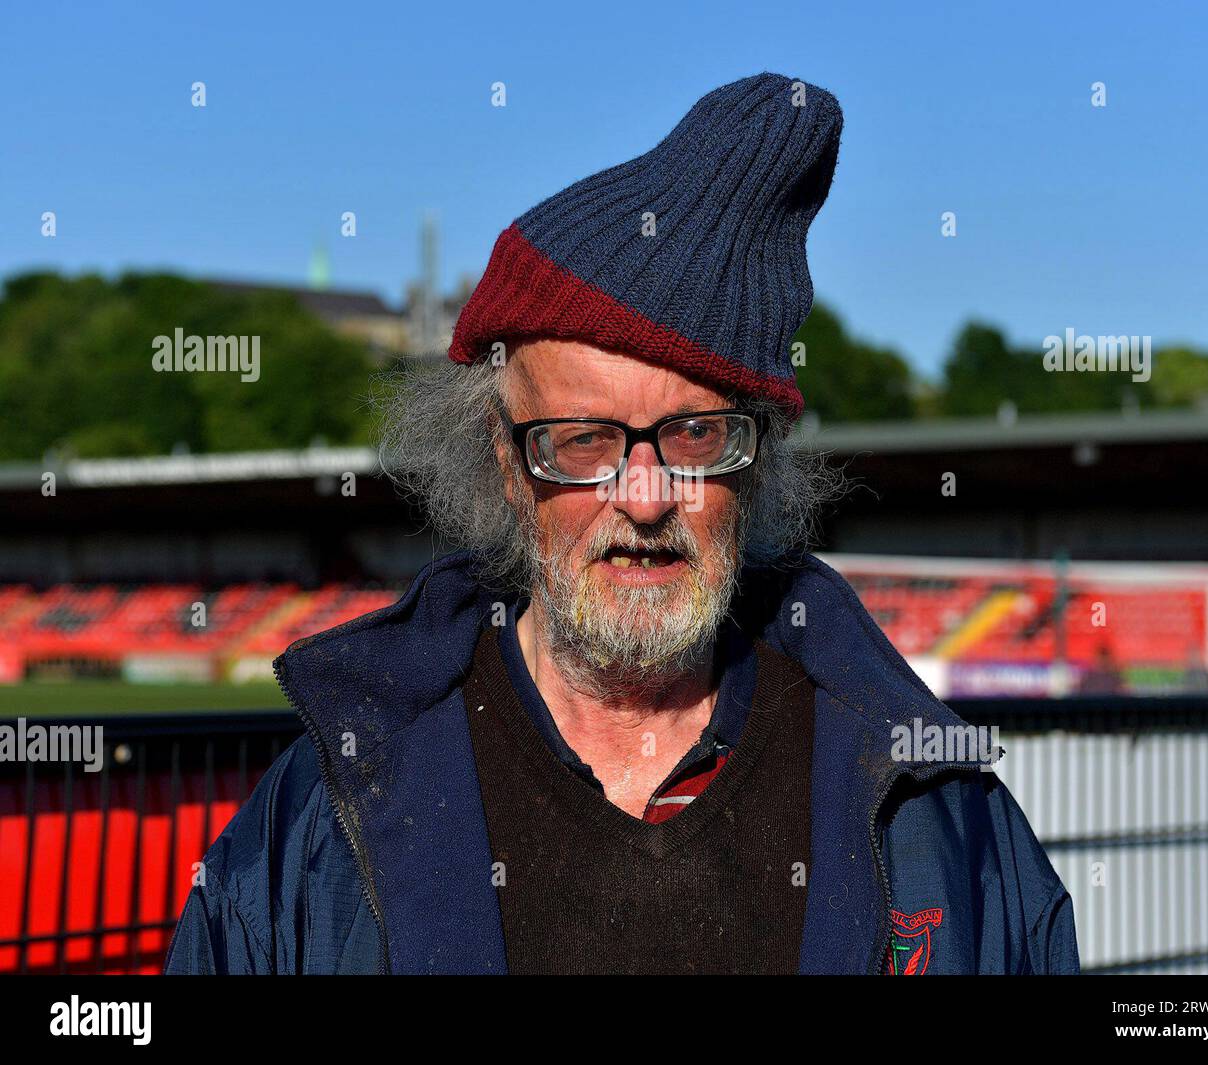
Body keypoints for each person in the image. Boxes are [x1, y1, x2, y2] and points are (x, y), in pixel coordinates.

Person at [166, 72, 1078, 975]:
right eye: (583, 440)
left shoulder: (940, 818)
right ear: (506, 461)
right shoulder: (320, 816)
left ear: (756, 458)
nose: (644, 497)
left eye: (695, 435)